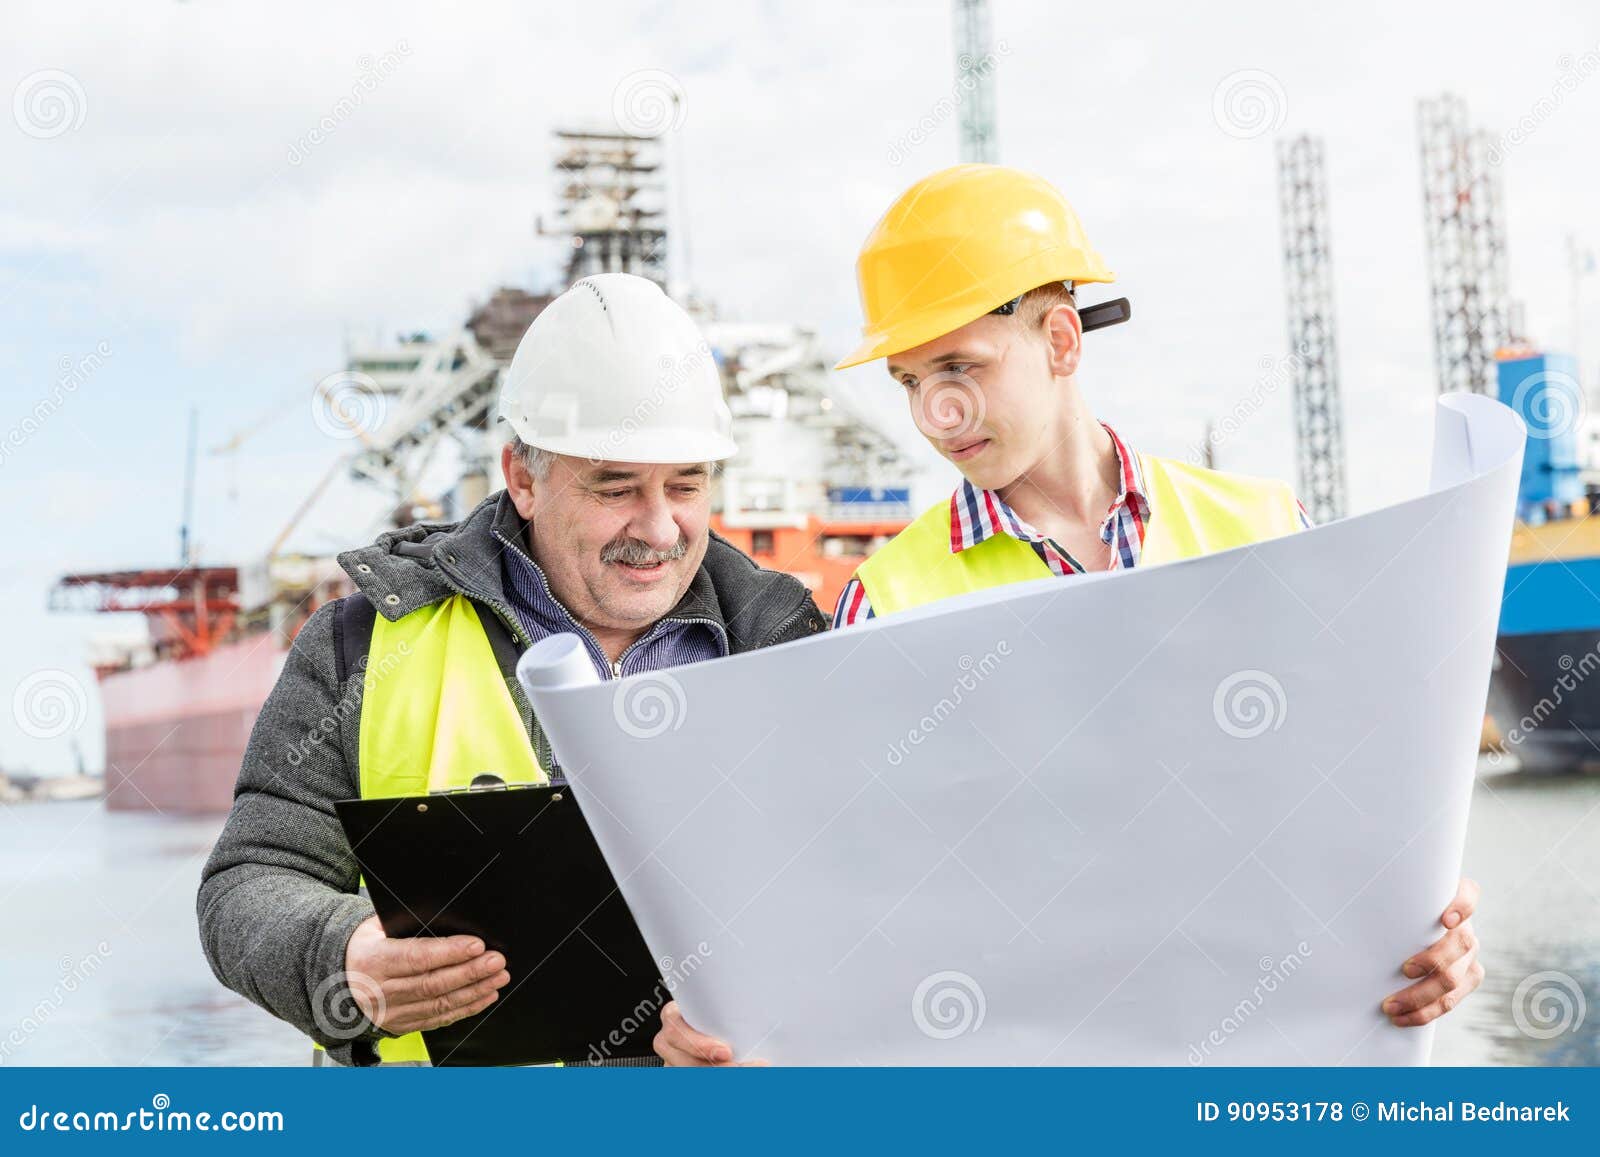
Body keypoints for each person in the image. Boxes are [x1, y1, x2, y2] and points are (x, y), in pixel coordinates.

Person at [652, 164, 1482, 1066]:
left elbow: (1370, 803)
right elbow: (834, 897)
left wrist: (1432, 933)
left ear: (1060, 339)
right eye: (909, 380)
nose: (936, 414)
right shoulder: (879, 600)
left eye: (961, 366)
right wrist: (728, 1021)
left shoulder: (1269, 529)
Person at [197, 273, 827, 1066]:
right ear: (523, 478)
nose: (660, 526)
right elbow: (249, 879)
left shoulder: (793, 647)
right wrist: (343, 955)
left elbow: (865, 904)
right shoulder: (363, 641)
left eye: (687, 484)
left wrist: (787, 1030)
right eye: (617, 486)